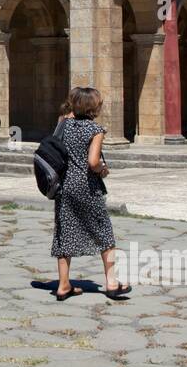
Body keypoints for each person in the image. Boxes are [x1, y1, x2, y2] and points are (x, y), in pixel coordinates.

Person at [52, 87, 130, 300]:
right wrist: (102, 170)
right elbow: (93, 161)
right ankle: (112, 282)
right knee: (104, 231)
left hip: (64, 186)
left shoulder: (62, 124)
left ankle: (63, 285)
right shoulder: (95, 129)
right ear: (93, 107)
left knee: (64, 231)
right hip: (87, 186)